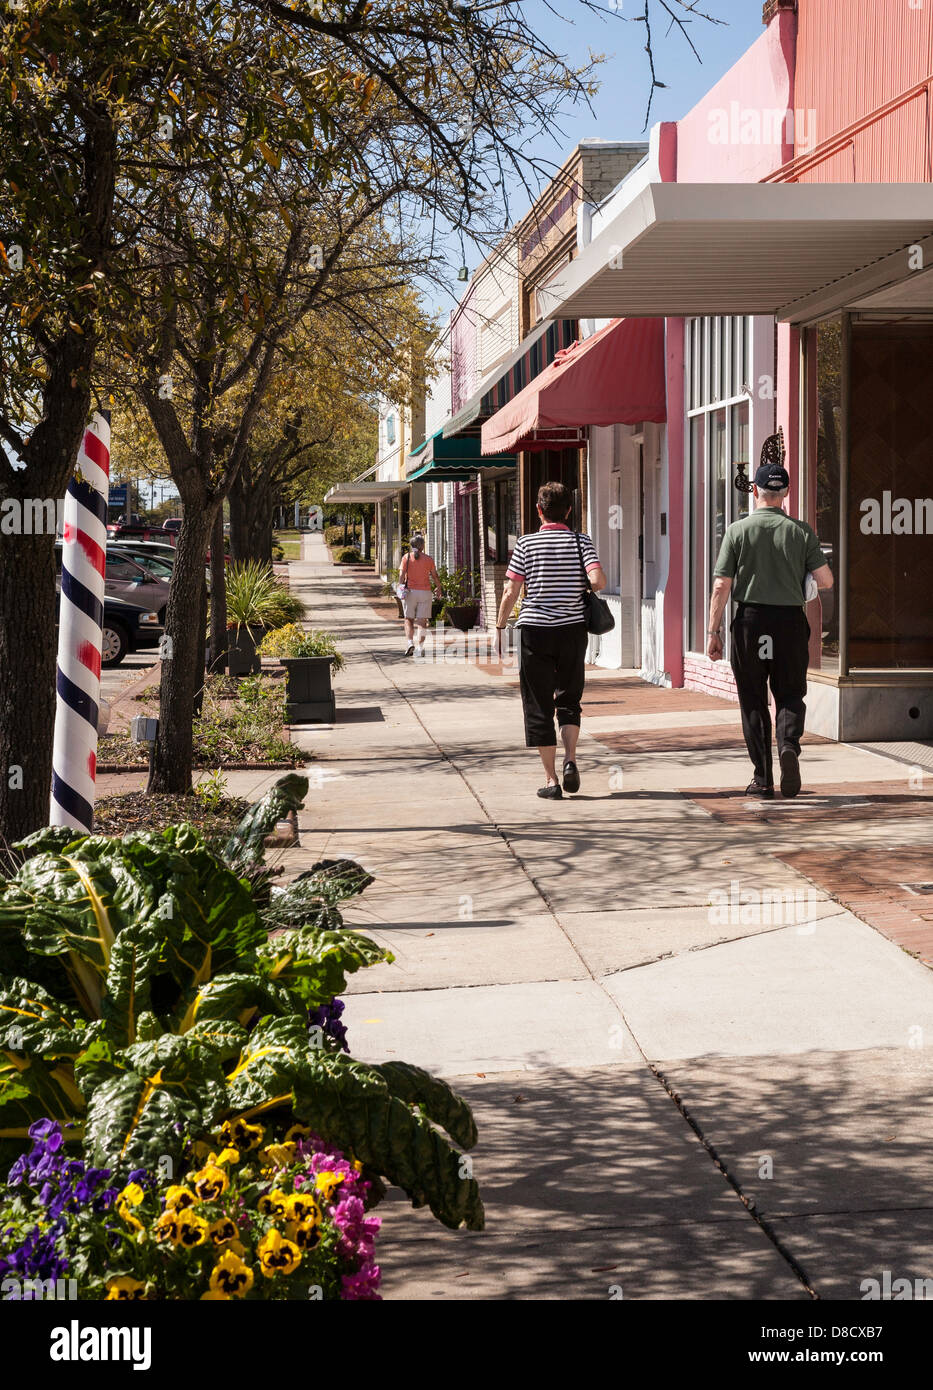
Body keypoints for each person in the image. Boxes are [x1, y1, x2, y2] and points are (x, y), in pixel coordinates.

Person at [707, 435, 833, 799]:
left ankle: (762, 778)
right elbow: (825, 580)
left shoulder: (737, 531)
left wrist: (713, 631)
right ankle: (789, 746)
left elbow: (720, 586)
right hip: (790, 623)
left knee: (753, 698)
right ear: (785, 493)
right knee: (791, 692)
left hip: (750, 622)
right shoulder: (801, 532)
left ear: (756, 491)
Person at [496, 481, 607, 799]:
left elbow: (510, 591)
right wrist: (576, 589)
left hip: (535, 632)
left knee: (539, 705)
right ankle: (571, 759)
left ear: (538, 510)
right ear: (569, 511)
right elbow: (598, 579)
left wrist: (501, 626)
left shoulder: (526, 545)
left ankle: (550, 781)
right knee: (570, 701)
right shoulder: (580, 541)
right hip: (572, 632)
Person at [399, 533, 441, 658]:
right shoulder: (429, 559)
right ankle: (420, 648)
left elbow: (401, 576)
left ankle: (410, 643)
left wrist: (400, 587)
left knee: (408, 619)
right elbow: (434, 576)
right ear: (422, 546)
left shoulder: (406, 558)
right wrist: (439, 588)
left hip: (410, 592)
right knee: (422, 621)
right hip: (425, 593)